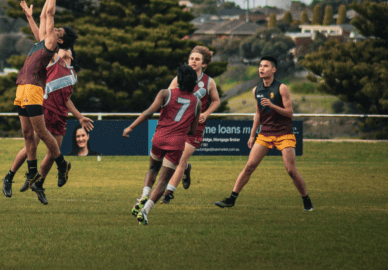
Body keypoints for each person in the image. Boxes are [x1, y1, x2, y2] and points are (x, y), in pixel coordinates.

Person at [2, 0, 92, 204]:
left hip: (61, 113)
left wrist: (79, 116)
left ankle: (39, 184)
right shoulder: (54, 58)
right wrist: (32, 17)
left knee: (52, 152)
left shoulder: (73, 72)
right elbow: (41, 37)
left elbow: (66, 98)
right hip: (44, 107)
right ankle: (11, 175)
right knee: (30, 144)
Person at [214, 56, 313, 211]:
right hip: (265, 134)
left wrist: (273, 106)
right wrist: (252, 135)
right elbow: (258, 114)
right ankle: (231, 199)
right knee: (249, 166)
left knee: (290, 170)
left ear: (273, 70)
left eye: (265, 66)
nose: (261, 69)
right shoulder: (256, 90)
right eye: (260, 66)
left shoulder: (282, 88)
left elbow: (290, 113)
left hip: (284, 134)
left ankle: (306, 199)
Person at [13, 0, 77, 195]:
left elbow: (49, 16)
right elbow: (44, 19)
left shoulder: (63, 55)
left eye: (58, 31)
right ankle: (28, 176)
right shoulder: (50, 48)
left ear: (61, 41)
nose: (54, 30)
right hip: (41, 100)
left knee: (47, 146)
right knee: (32, 138)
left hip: (53, 105)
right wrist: (31, 16)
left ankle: (39, 180)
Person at [123, 64, 200, 225]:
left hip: (159, 139)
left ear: (178, 79)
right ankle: (145, 210)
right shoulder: (196, 102)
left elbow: (149, 112)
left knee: (152, 168)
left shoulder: (165, 93)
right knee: (163, 181)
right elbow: (193, 131)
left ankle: (144, 195)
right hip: (176, 144)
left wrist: (131, 127)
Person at [161, 46, 221, 204]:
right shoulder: (178, 79)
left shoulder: (208, 82)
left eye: (197, 59)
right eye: (191, 59)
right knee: (173, 158)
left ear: (204, 64)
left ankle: (168, 193)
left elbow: (216, 101)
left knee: (180, 158)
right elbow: (168, 98)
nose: (193, 61)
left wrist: (205, 114)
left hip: (195, 126)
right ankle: (186, 169)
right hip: (178, 126)